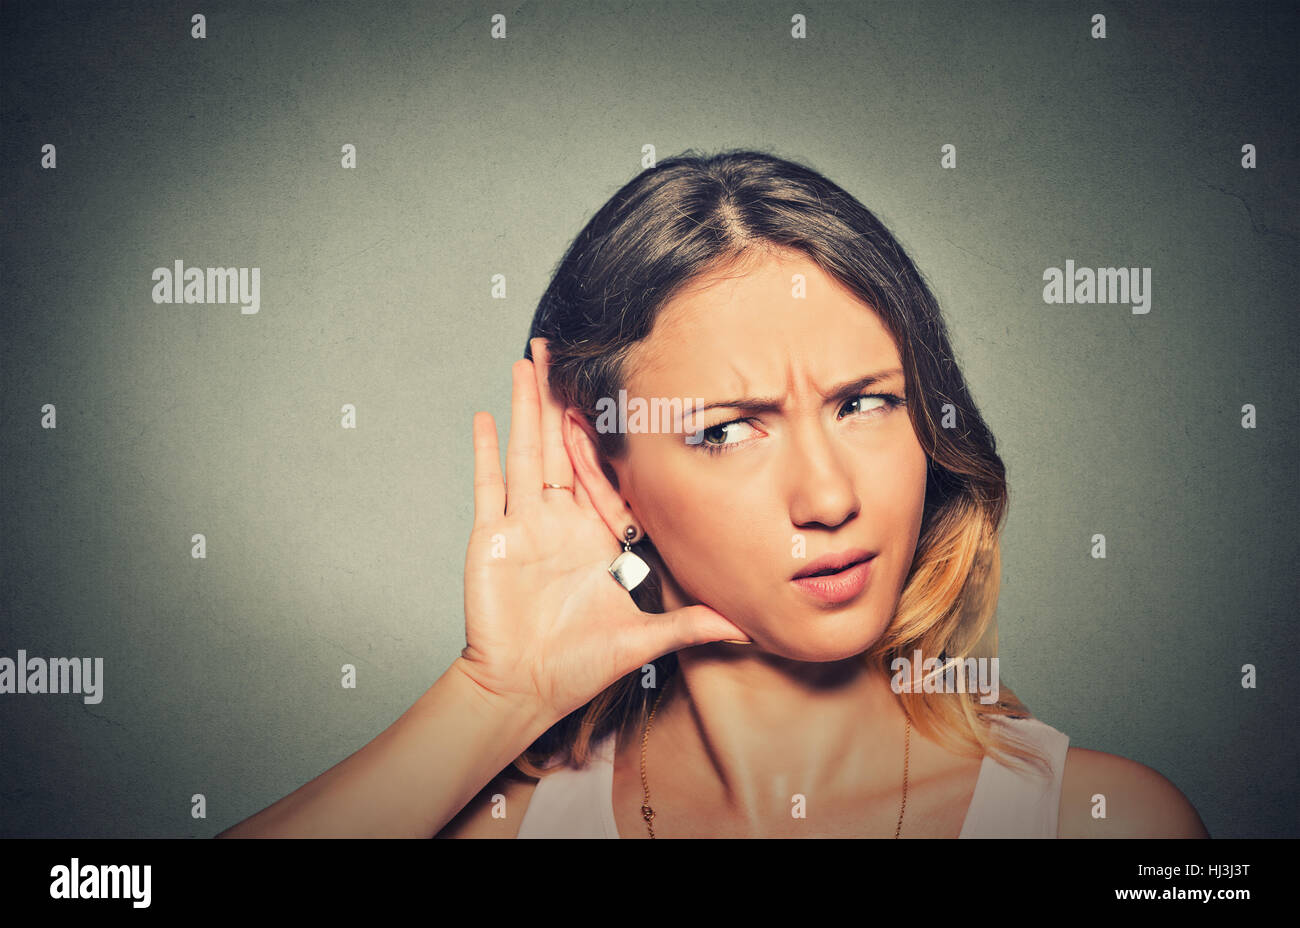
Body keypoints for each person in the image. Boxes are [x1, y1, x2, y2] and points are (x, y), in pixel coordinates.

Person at [218, 149, 1208, 839]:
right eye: (728, 428)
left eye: (865, 402)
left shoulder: (1098, 821)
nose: (827, 495)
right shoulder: (507, 824)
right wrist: (492, 700)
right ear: (604, 464)